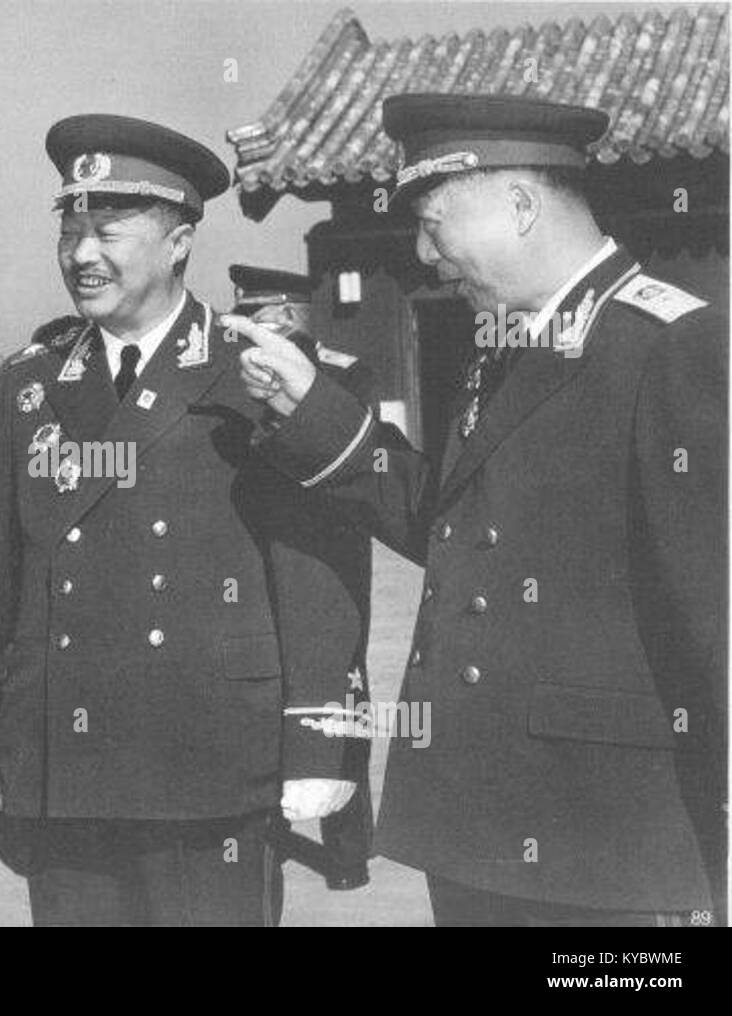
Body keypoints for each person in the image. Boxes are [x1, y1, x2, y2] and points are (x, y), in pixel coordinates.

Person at [234, 93, 727, 926]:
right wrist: (314, 406)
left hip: (611, 840)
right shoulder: (503, 342)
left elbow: (719, 614)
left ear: (521, 205)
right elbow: (459, 532)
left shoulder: (671, 346)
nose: (425, 256)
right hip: (477, 821)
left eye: (435, 223)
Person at [0, 114, 371, 925]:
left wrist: (319, 735)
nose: (82, 254)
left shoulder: (256, 374)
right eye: (70, 230)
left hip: (210, 755)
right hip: (63, 759)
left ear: (178, 243)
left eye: (109, 230)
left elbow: (312, 570)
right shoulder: (30, 384)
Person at [229, 264, 374, 892]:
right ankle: (265, 823)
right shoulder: (235, 371)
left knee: (340, 689)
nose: (251, 321)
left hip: (329, 541)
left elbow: (353, 448)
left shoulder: (343, 368)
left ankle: (348, 846)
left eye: (260, 310)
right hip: (258, 537)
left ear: (291, 314)